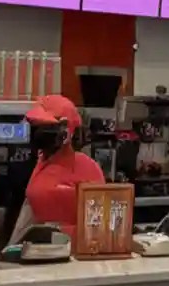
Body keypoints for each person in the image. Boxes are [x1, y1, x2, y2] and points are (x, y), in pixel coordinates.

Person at [7, 94, 104, 246]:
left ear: (65, 133)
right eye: (36, 126)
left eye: (45, 127)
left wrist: (57, 233)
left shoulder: (87, 168)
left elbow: (97, 226)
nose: (38, 133)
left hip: (72, 251)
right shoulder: (38, 162)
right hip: (38, 250)